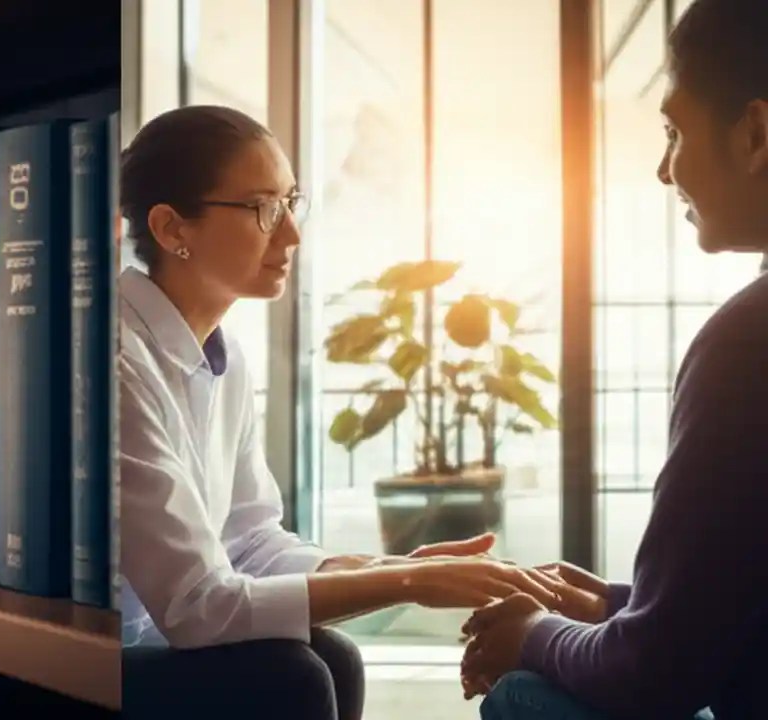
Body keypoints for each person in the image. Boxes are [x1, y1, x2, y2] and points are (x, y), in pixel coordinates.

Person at [116, 103, 581, 720]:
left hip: (161, 642)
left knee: (331, 655)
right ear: (173, 229)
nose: (291, 236)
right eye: (263, 209)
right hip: (103, 652)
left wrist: (395, 566)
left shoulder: (221, 358)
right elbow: (198, 607)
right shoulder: (121, 361)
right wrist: (408, 584)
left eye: (290, 203)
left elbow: (251, 543)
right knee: (292, 675)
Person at [460, 1, 768, 718]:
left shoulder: (747, 344)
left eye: (673, 131)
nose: (665, 171)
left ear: (756, 133)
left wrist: (536, 633)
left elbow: (655, 680)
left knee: (521, 696)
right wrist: (612, 604)